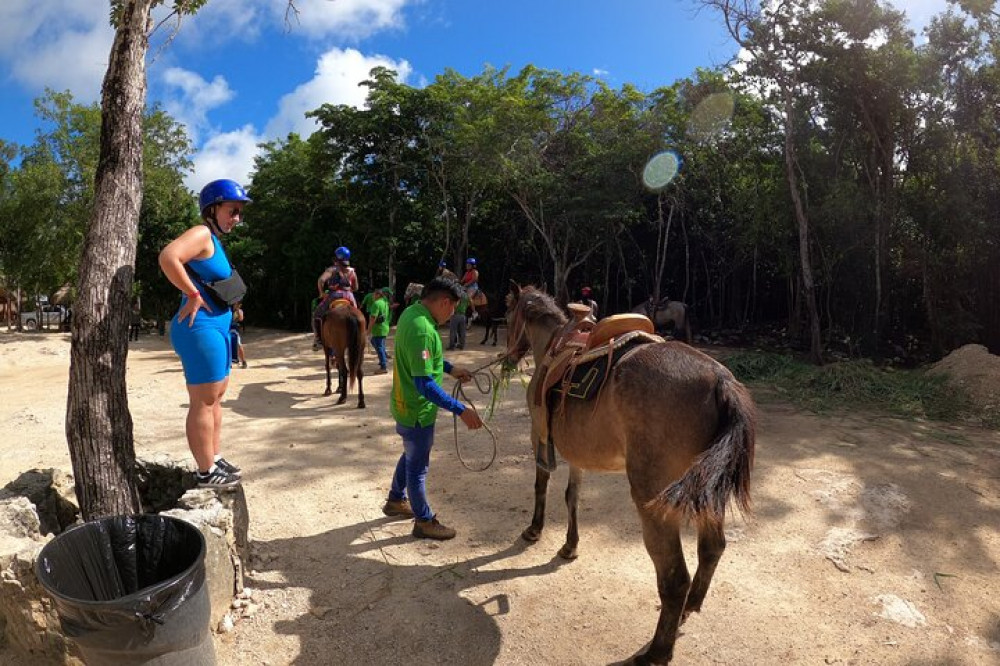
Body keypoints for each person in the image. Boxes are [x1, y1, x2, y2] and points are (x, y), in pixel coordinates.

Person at [158, 178, 250, 488]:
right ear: (212, 209)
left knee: (216, 398)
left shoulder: (214, 239)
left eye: (240, 212)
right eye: (233, 210)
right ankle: (205, 472)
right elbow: (168, 257)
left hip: (217, 327)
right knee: (203, 401)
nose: (237, 218)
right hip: (200, 328)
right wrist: (192, 294)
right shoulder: (200, 233)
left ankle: (213, 457)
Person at [382, 277, 484, 540]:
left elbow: (427, 360)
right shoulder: (423, 329)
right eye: (453, 309)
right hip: (417, 411)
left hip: (405, 406)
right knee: (418, 469)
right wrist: (461, 409)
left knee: (410, 454)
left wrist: (451, 369)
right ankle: (424, 521)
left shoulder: (412, 313)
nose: (452, 315)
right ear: (444, 302)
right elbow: (424, 383)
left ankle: (395, 499)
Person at [312, 246, 359, 350]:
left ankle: (318, 339)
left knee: (317, 314)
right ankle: (359, 336)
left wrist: (322, 293)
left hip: (335, 295)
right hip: (349, 297)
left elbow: (321, 280)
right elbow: (355, 288)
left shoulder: (332, 269)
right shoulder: (352, 271)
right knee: (357, 314)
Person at [367, 287, 391, 374]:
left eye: (374, 294)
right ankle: (383, 358)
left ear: (378, 295)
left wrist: (368, 330)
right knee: (375, 342)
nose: (373, 296)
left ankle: (383, 367)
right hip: (385, 327)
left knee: (379, 346)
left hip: (379, 329)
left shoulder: (376, 304)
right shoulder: (385, 303)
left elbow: (373, 318)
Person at [230, 302, 247, 369]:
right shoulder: (228, 310)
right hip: (227, 328)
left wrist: (237, 310)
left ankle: (243, 361)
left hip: (234, 329)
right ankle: (229, 362)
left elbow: (241, 319)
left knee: (238, 344)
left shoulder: (239, 311)